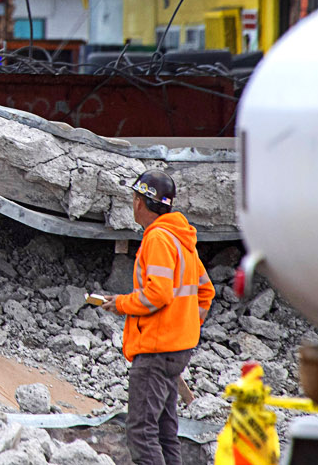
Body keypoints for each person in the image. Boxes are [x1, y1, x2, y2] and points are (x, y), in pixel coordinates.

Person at [96, 170, 215, 465]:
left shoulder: (158, 239)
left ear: (140, 202)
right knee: (164, 432)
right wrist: (184, 325)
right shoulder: (181, 239)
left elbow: (158, 294)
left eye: (134, 198)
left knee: (141, 432)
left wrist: (120, 303)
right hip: (177, 349)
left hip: (156, 351)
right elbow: (205, 291)